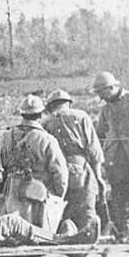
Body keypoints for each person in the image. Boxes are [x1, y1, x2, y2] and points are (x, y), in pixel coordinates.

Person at [0, 94, 69, 234]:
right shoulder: (47, 139)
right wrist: (56, 196)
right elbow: (60, 173)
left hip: (11, 191)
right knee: (37, 235)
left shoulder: (6, 137)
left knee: (12, 231)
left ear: (21, 113)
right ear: (41, 114)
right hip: (37, 194)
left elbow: (2, 165)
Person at [43, 88, 106, 238]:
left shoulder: (46, 123)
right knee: (86, 205)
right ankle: (88, 236)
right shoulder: (81, 116)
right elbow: (94, 149)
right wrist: (98, 177)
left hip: (55, 168)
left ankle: (64, 234)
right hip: (81, 165)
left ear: (51, 106)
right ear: (68, 104)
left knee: (61, 207)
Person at [93, 70, 129, 241]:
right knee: (120, 196)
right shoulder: (106, 109)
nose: (101, 97)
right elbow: (99, 133)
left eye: (103, 93)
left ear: (112, 87)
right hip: (116, 159)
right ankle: (124, 231)